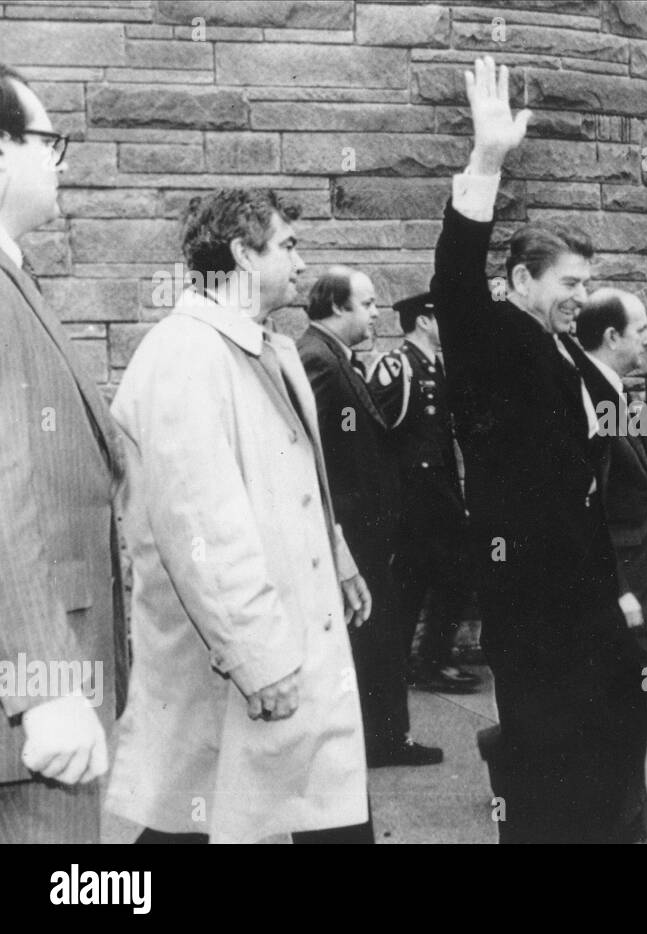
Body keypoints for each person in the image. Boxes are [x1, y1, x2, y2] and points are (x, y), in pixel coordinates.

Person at [106, 189, 372, 843]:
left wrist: (334, 554)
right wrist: (258, 660)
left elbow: (290, 479)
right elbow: (201, 526)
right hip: (234, 658)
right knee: (200, 812)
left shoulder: (262, 349)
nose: (302, 265)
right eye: (287, 246)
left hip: (279, 643)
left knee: (290, 811)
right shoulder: (186, 357)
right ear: (240, 254)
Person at [430, 57, 647, 843]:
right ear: (522, 278)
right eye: (567, 283)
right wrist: (486, 161)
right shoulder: (491, 335)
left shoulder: (558, 351)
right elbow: (455, 278)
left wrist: (614, 587)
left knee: (594, 748)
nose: (580, 299)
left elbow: (579, 487)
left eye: (587, 284)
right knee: (542, 762)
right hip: (528, 599)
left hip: (578, 592)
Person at [0, 65, 126, 844]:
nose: (61, 161)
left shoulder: (17, 280)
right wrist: (42, 684)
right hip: (34, 705)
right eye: (50, 142)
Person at [298, 268, 442, 768]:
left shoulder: (335, 358)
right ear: (338, 307)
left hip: (367, 529)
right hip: (353, 531)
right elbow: (306, 451)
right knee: (371, 636)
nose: (377, 312)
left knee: (376, 635)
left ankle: (381, 737)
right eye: (368, 303)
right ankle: (381, 740)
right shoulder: (318, 360)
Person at [573, 287, 647, 844]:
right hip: (615, 590)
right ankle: (629, 830)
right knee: (627, 705)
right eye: (643, 329)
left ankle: (636, 824)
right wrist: (618, 589)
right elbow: (587, 510)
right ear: (612, 338)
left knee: (632, 704)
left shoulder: (607, 392)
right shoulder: (588, 397)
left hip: (628, 580)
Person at [369, 292, 480, 696]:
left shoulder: (436, 366)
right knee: (413, 581)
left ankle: (428, 660)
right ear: (423, 321)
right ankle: (414, 663)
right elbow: (375, 431)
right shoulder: (397, 367)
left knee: (442, 576)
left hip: (440, 494)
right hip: (415, 498)